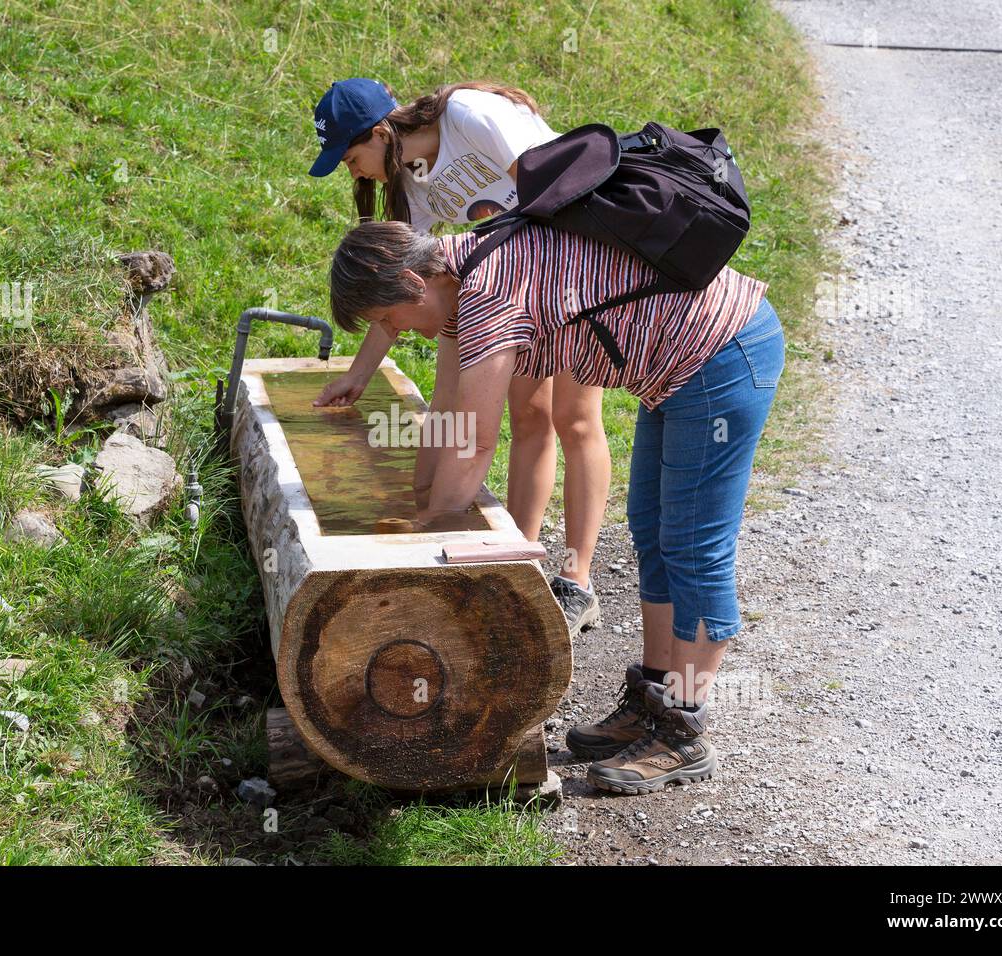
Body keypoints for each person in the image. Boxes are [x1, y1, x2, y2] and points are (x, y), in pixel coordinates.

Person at [325, 217, 783, 796]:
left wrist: (423, 542)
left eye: (389, 320)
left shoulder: (488, 291)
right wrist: (421, 508)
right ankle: (656, 696)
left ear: (415, 284)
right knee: (652, 530)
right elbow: (452, 415)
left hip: (720, 358)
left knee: (694, 547)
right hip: (681, 368)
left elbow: (475, 445)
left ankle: (683, 729)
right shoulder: (462, 268)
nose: (397, 332)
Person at [305, 77, 608, 636]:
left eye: (351, 158)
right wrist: (357, 375)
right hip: (496, 287)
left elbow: (559, 188)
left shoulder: (468, 116)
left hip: (575, 268)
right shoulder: (411, 182)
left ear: (379, 132)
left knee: (568, 417)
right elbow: (399, 294)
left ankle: (576, 579)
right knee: (511, 414)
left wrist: (529, 295)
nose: (354, 172)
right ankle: (516, 561)